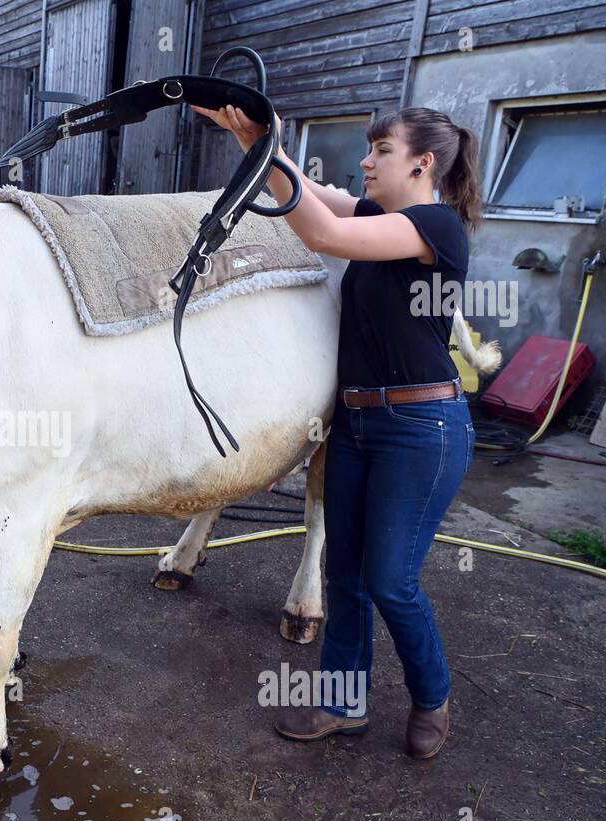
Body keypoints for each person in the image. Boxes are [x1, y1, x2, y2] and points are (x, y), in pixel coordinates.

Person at [192, 103, 500, 759]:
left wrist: (268, 155)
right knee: (345, 575)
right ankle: (342, 704)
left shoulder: (437, 227)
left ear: (421, 163)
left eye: (380, 150)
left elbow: (323, 234)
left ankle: (432, 695)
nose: (365, 161)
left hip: (422, 427)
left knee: (392, 581)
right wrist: (257, 141)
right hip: (360, 422)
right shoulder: (382, 219)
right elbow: (309, 194)